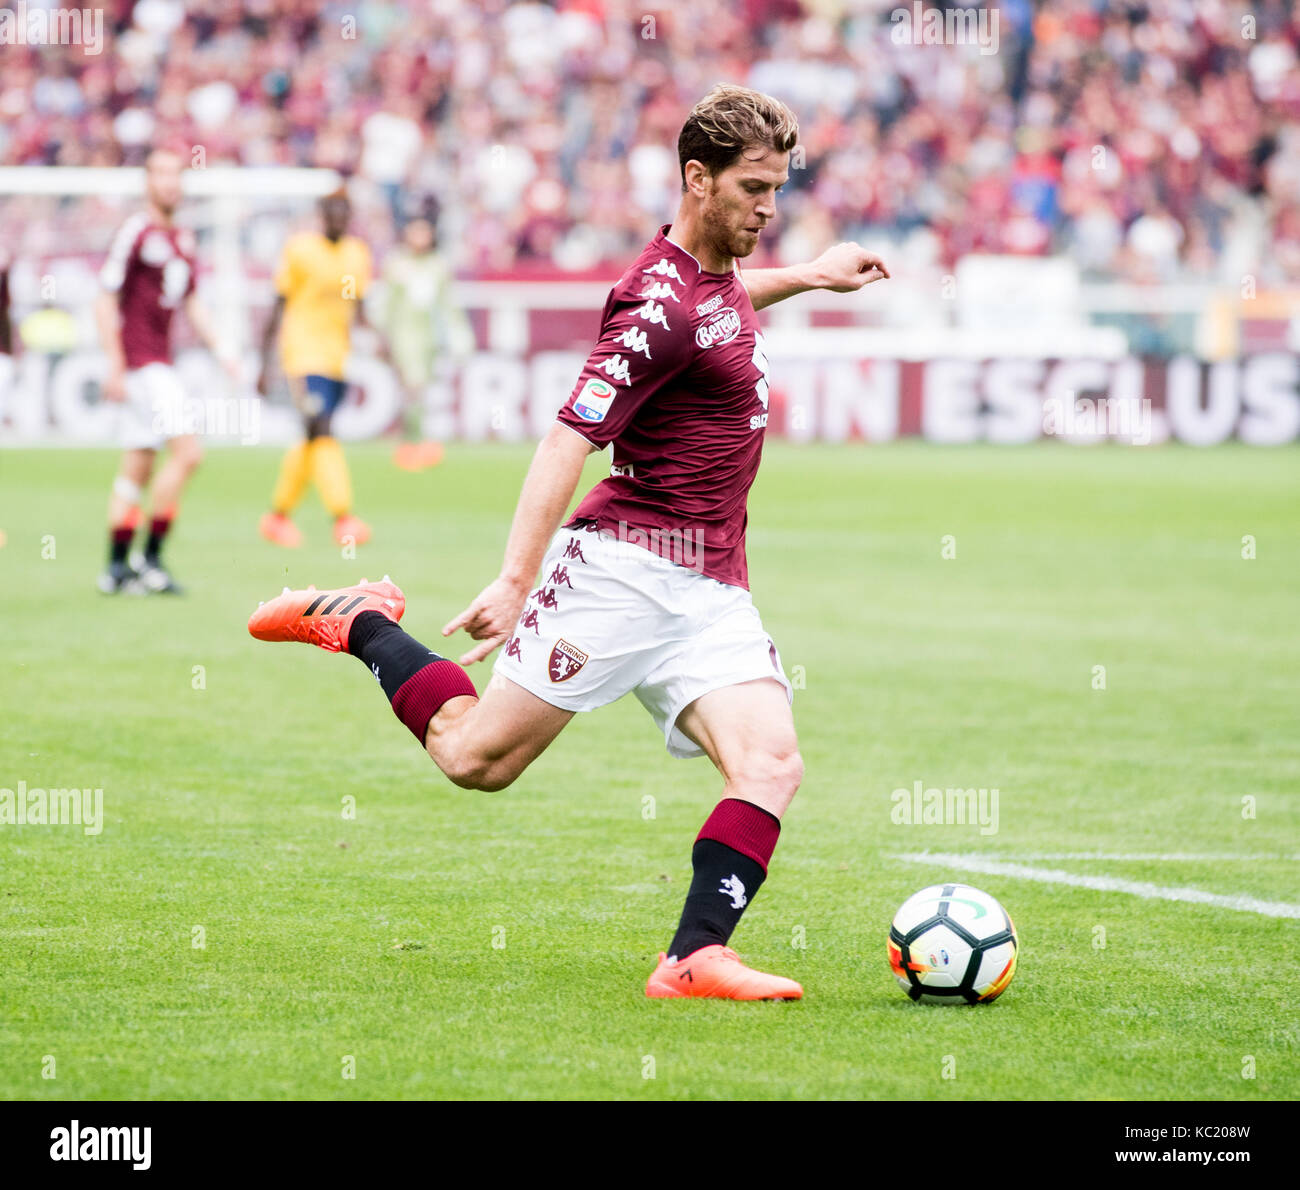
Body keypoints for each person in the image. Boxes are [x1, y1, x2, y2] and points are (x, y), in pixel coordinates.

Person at [248, 85, 888, 999]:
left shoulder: (710, 284)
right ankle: (361, 624)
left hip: (711, 588)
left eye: (778, 188)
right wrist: (514, 580)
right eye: (754, 188)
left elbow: (726, 305)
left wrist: (811, 273)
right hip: (621, 573)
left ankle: (694, 957)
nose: (770, 207)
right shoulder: (653, 305)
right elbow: (567, 440)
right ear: (697, 180)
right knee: (477, 760)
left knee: (772, 762)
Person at [96, 147, 239, 595]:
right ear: (147, 182)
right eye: (160, 174)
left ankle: (116, 569)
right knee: (189, 453)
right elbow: (104, 298)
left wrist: (221, 348)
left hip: (158, 363)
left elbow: (192, 301)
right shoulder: (136, 231)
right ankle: (150, 559)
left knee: (137, 465)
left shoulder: (182, 239)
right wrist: (116, 365)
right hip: (144, 367)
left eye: (176, 174)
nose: (170, 182)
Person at [257, 189, 376, 548]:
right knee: (321, 427)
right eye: (332, 211)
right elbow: (278, 305)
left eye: (345, 211)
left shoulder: (357, 254)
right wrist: (264, 363)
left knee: (312, 435)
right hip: (302, 353)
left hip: (337, 356)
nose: (339, 217)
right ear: (322, 215)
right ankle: (343, 518)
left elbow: (359, 305)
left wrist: (379, 341)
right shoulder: (300, 250)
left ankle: (277, 517)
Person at [381, 204, 472, 472]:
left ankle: (413, 442)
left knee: (421, 390)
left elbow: (449, 305)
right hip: (404, 335)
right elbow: (386, 303)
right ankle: (412, 441)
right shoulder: (396, 263)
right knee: (414, 385)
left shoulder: (438, 266)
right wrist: (380, 332)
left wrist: (460, 337)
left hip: (430, 337)